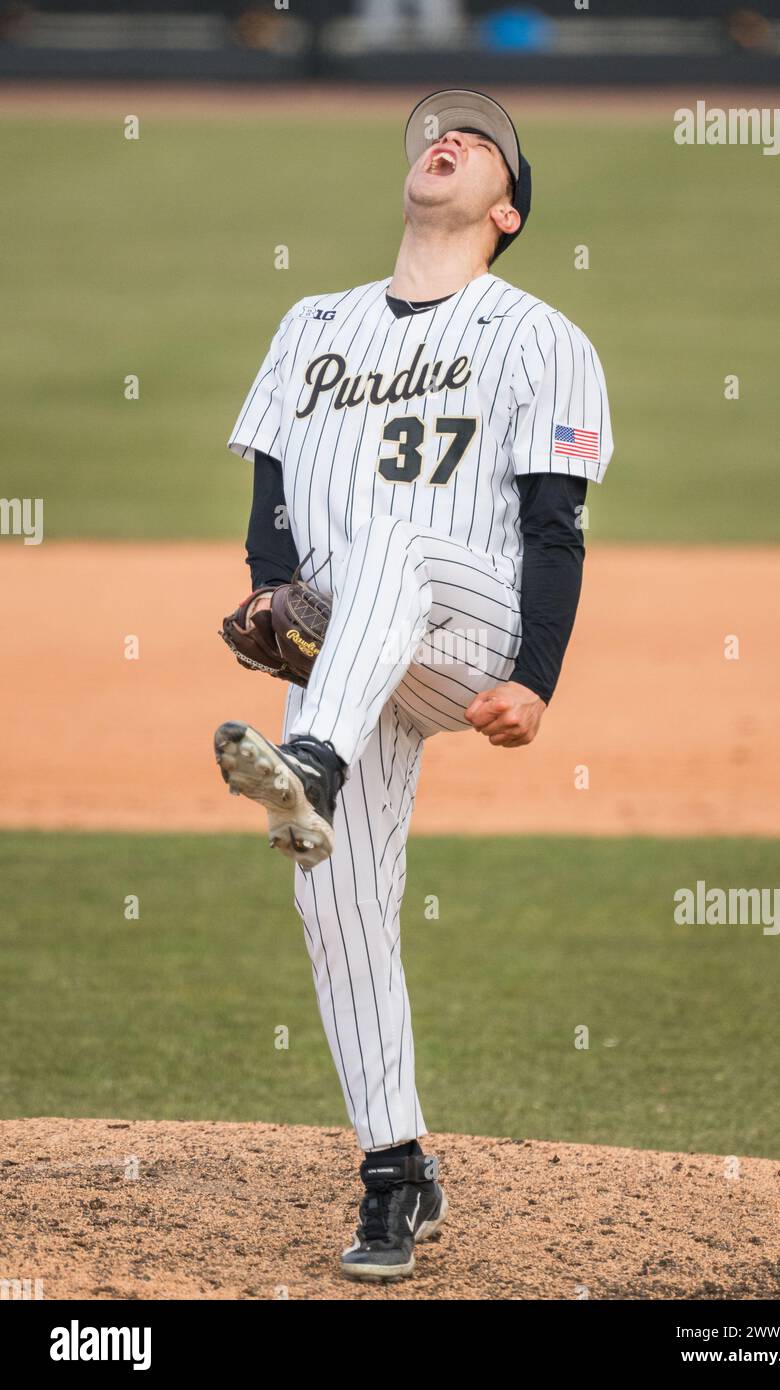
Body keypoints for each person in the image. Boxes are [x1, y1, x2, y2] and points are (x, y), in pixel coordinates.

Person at [214, 89, 613, 1282]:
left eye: (477, 142)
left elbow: (555, 528)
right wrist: (270, 596)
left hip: (467, 626)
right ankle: (396, 1171)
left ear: (506, 210)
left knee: (395, 543)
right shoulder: (313, 322)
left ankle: (313, 765)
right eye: (433, 133)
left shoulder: (540, 336)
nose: (444, 141)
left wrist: (535, 683)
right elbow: (272, 492)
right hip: (346, 654)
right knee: (333, 900)